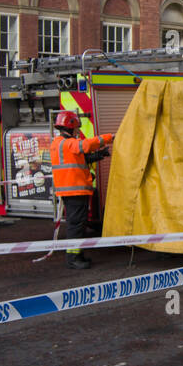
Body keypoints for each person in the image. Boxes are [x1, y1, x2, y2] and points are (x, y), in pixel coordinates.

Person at [49, 110, 113, 269]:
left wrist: (100, 155)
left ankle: (78, 253)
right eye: (76, 128)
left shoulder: (60, 143)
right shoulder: (67, 142)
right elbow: (85, 146)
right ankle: (73, 258)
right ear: (70, 127)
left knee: (78, 224)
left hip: (72, 191)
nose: (78, 131)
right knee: (76, 225)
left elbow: (82, 158)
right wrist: (108, 138)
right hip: (74, 191)